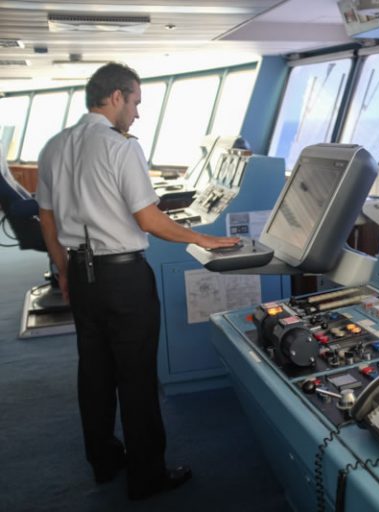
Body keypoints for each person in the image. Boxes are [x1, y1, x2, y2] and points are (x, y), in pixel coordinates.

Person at [37, 62, 240, 500]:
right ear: (115, 97)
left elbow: (47, 216)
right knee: (136, 378)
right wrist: (204, 238)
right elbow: (149, 220)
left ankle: (105, 461)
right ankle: (147, 476)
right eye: (136, 103)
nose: (137, 114)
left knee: (93, 373)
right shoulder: (121, 147)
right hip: (123, 277)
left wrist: (62, 269)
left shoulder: (54, 146)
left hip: (82, 273)